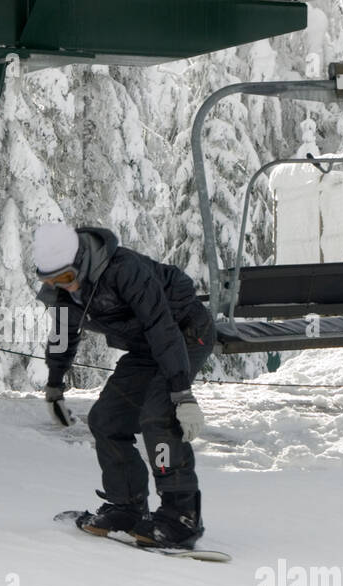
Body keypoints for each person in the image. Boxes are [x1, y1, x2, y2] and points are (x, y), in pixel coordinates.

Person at [34, 221, 215, 548]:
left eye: (66, 277)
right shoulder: (62, 292)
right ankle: (126, 504)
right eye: (51, 280)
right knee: (106, 420)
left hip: (184, 334)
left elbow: (161, 326)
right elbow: (62, 337)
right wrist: (54, 387)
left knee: (157, 417)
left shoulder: (124, 270)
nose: (63, 286)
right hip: (146, 346)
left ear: (81, 262)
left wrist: (182, 395)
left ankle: (181, 515)